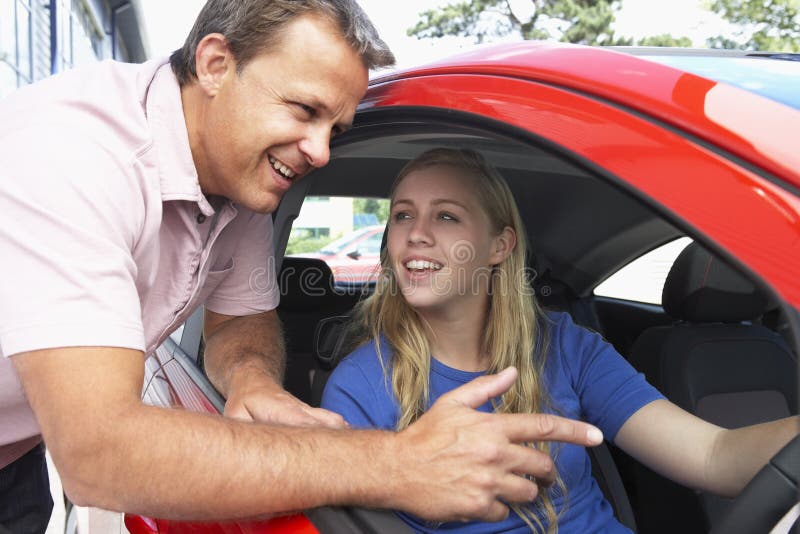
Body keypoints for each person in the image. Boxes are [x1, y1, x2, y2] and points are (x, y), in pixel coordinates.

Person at [0, 2, 605, 532]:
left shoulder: (237, 189)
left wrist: (251, 381)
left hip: (16, 451)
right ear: (215, 64)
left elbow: (240, 321)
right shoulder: (72, 154)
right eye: (303, 110)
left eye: (335, 128)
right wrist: (398, 463)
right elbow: (99, 455)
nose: (320, 152)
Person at [321, 147, 799, 533]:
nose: (416, 234)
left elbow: (715, 457)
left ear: (499, 246)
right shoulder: (360, 385)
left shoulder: (567, 347)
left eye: (446, 217)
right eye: (402, 216)